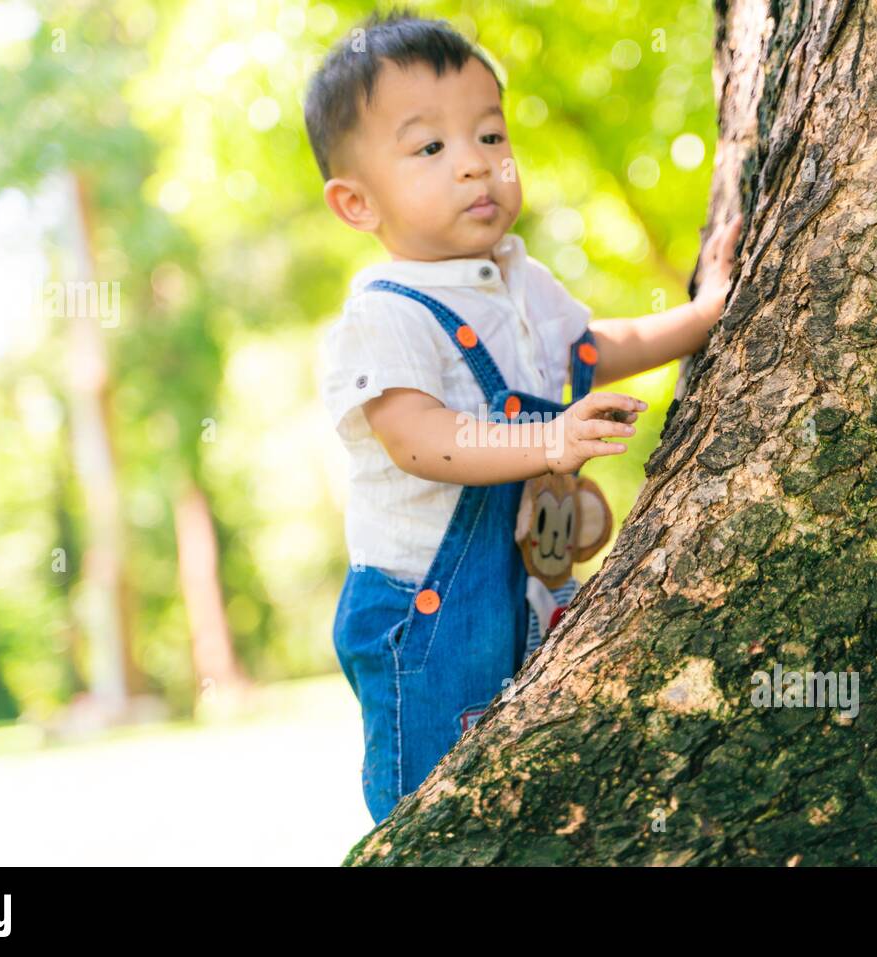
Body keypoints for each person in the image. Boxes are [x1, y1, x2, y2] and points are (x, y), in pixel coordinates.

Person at [306, 7, 739, 823]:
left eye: (491, 138)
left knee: (537, 787)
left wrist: (709, 314)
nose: (475, 165)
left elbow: (596, 346)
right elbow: (418, 439)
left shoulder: (517, 276)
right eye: (431, 147)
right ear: (357, 203)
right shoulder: (387, 311)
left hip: (529, 590)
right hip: (425, 618)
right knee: (440, 805)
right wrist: (548, 438)